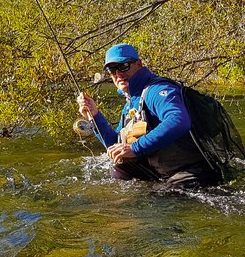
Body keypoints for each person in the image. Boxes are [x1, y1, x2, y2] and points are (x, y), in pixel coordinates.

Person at [76, 43, 222, 187]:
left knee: (155, 201)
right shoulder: (131, 103)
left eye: (124, 66)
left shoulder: (158, 91)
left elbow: (179, 120)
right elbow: (117, 146)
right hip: (163, 173)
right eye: (112, 70)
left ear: (139, 64)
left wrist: (135, 148)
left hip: (192, 172)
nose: (118, 74)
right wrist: (94, 116)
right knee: (118, 165)